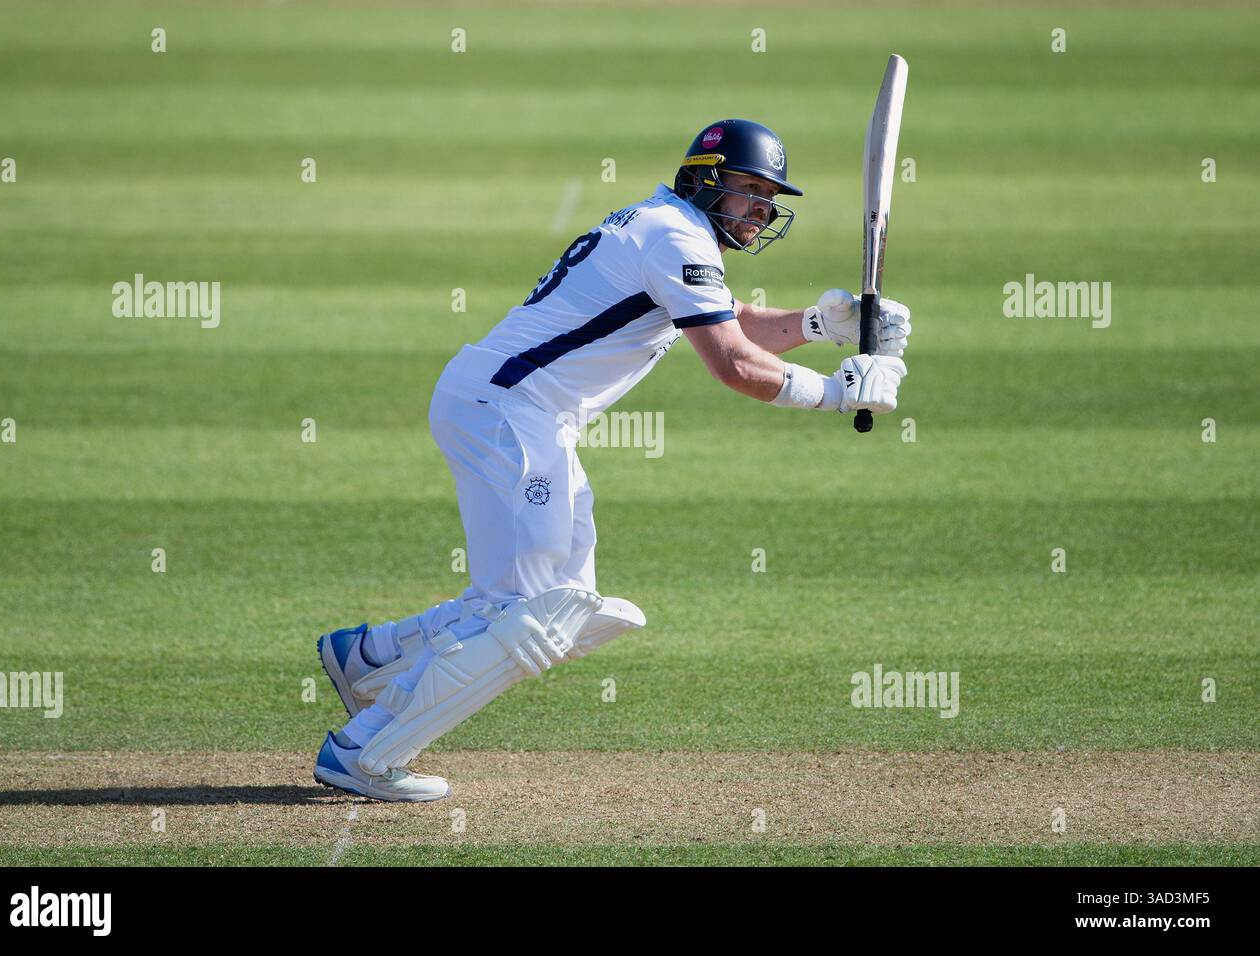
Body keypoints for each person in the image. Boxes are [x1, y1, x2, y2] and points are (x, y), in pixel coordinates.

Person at [311, 119, 911, 801]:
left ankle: (368, 658)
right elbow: (735, 364)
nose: (761, 211)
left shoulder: (667, 228)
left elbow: (730, 319)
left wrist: (819, 324)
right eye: (749, 192)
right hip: (511, 413)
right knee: (534, 611)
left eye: (769, 198)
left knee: (561, 607)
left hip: (515, 410)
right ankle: (366, 751)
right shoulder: (675, 236)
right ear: (704, 181)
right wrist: (836, 393)